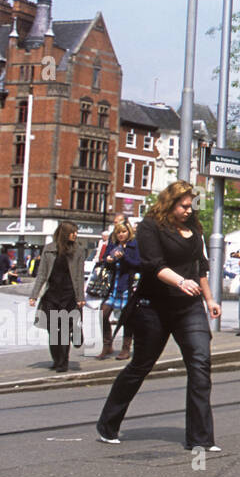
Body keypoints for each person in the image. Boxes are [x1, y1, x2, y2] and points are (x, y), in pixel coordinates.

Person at [95, 181, 221, 450]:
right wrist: (180, 282)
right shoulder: (151, 227)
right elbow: (153, 265)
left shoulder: (195, 230)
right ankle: (108, 424)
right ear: (170, 203)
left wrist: (209, 299)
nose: (188, 210)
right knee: (140, 366)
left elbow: (200, 268)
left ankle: (200, 439)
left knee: (200, 364)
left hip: (188, 307)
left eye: (190, 206)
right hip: (153, 307)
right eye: (183, 205)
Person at [28, 222, 85, 372]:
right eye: (73, 232)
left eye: (76, 232)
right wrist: (34, 295)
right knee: (53, 330)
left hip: (69, 295)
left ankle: (63, 361)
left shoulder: (78, 250)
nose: (75, 235)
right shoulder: (49, 250)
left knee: (65, 329)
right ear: (64, 233)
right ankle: (56, 358)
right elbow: (41, 275)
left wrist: (80, 297)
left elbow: (79, 276)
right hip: (52, 295)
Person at [95, 220, 141, 360]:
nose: (121, 235)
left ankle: (126, 348)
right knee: (103, 314)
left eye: (123, 232)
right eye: (118, 232)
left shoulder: (134, 246)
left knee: (127, 318)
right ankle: (107, 345)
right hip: (112, 286)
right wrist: (108, 260)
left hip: (128, 285)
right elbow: (105, 260)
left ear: (129, 232)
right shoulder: (113, 245)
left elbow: (138, 264)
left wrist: (124, 257)